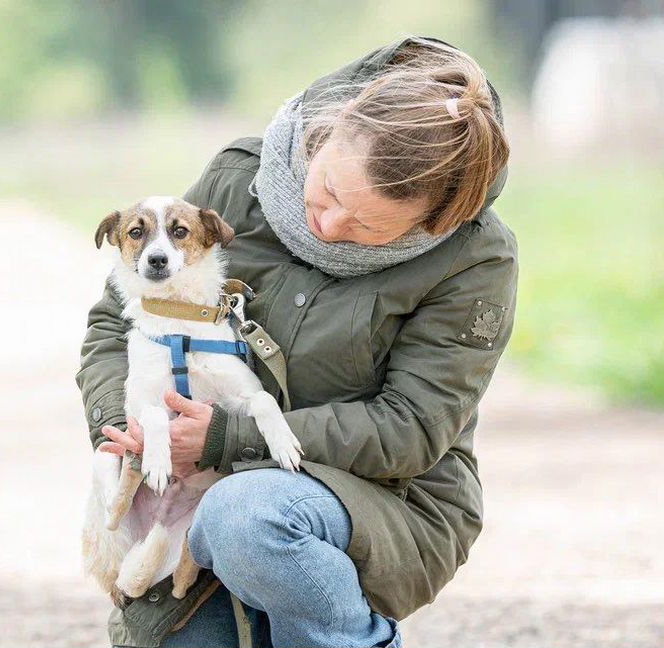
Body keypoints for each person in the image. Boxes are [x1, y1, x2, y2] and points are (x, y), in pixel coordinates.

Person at [76, 36, 516, 648]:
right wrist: (120, 429)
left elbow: (412, 428)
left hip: (374, 500)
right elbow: (114, 325)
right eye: (329, 191)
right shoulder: (239, 177)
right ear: (326, 132)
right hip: (197, 497)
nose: (329, 225)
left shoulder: (473, 257)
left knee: (246, 519)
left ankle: (346, 632)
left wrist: (227, 439)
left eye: (368, 226)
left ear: (432, 222)